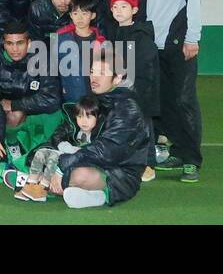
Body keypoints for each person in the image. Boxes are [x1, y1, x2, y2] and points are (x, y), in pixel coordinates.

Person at [134, 0, 202, 183]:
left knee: (184, 100)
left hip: (179, 41)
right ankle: (178, 148)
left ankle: (192, 160)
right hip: (151, 44)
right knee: (163, 102)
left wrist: (192, 37)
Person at [48, 49, 154, 208]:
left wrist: (62, 165)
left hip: (119, 175)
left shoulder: (127, 109)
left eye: (102, 73)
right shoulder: (97, 99)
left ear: (117, 78)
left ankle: (102, 194)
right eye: (92, 71)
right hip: (94, 162)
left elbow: (106, 151)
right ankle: (92, 196)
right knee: (45, 158)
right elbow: (67, 129)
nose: (94, 78)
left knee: (77, 175)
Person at [0, 21, 63, 174]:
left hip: (36, 112)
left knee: (56, 116)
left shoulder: (43, 60)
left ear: (29, 43)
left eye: (19, 43)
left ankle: (41, 153)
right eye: (9, 43)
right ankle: (12, 148)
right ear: (4, 44)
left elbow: (52, 99)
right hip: (6, 116)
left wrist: (14, 103)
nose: (14, 49)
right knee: (7, 115)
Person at [102, 0, 159, 181]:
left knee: (143, 127)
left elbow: (144, 69)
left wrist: (135, 92)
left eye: (124, 6)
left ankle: (148, 164)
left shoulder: (142, 36)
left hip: (141, 92)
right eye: (115, 7)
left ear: (134, 10)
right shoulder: (116, 34)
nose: (119, 11)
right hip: (123, 91)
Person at [13, 95, 104, 202]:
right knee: (42, 153)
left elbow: (92, 154)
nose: (84, 121)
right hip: (66, 158)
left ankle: (42, 187)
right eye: (80, 117)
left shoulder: (101, 134)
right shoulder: (72, 125)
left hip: (81, 164)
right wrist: (67, 148)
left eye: (88, 117)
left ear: (97, 117)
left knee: (54, 159)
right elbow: (57, 137)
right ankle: (31, 186)